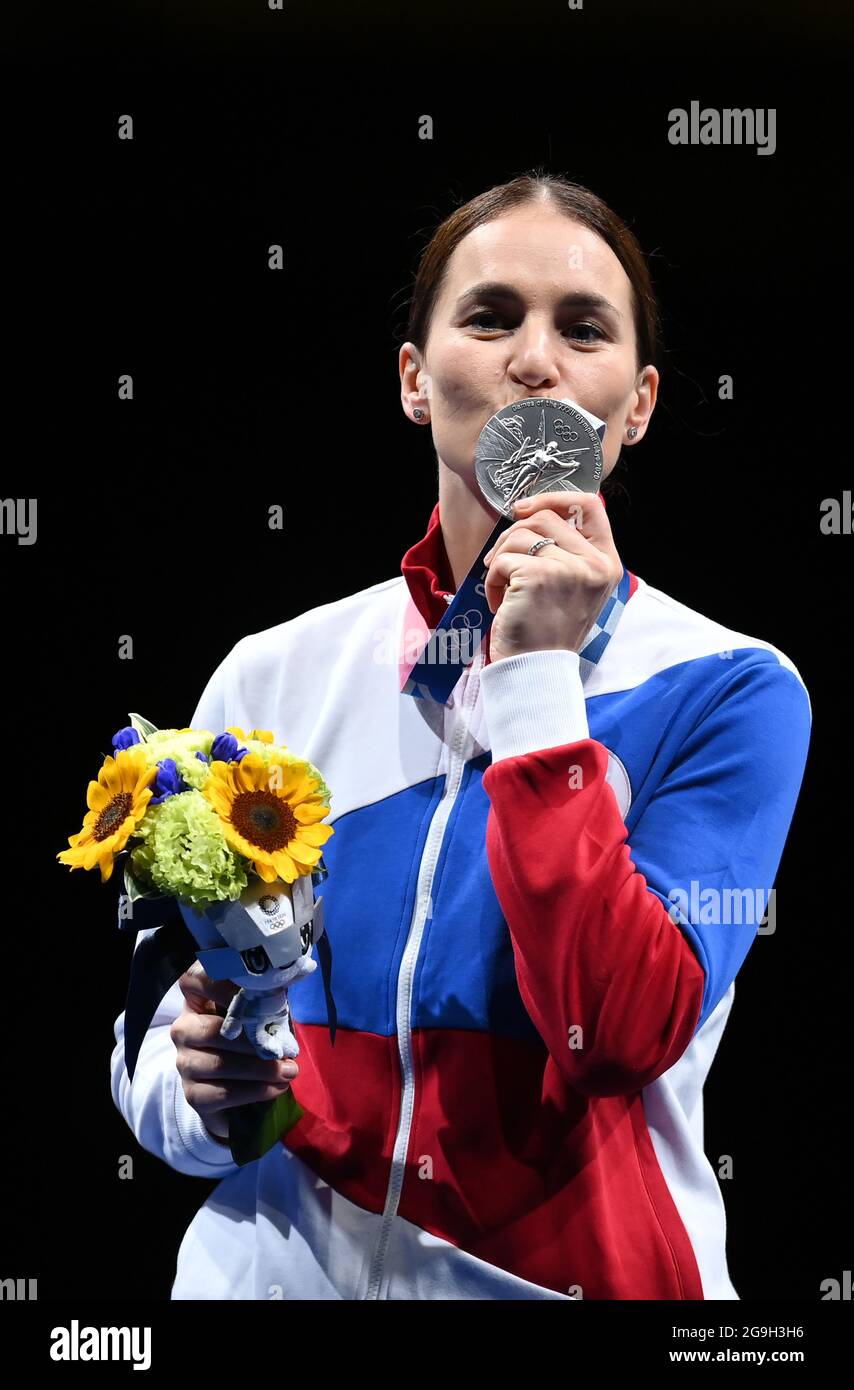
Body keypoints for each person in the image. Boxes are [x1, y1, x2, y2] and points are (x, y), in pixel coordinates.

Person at [110, 173, 811, 1300]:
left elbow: (616, 1032)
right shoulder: (272, 669)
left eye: (579, 329)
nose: (532, 358)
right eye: (489, 317)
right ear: (412, 379)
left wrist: (533, 674)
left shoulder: (730, 688)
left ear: (633, 406)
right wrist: (194, 1097)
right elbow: (164, 1013)